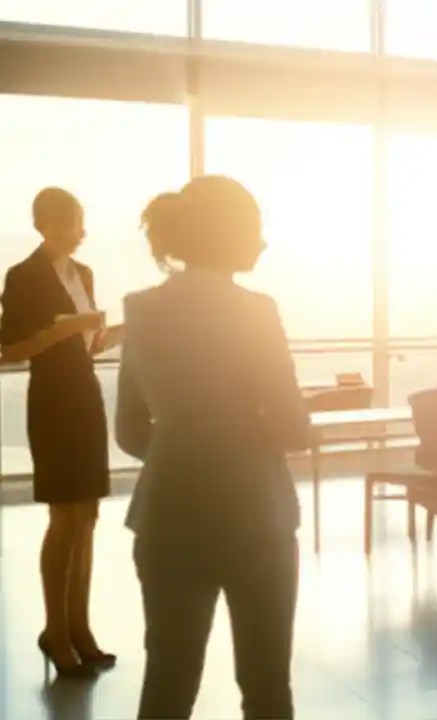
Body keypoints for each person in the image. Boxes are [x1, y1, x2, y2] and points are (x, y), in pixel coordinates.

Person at [119, 177, 308, 718]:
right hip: (258, 518)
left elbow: (130, 430)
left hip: (167, 517)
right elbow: (293, 428)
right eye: (254, 228)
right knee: (267, 687)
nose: (263, 241)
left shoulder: (141, 310)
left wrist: (183, 445)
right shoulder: (256, 310)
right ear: (226, 233)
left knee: (168, 686)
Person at [0, 188, 121, 678]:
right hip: (51, 403)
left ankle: (79, 628)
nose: (81, 228)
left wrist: (121, 330)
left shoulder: (83, 273)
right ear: (47, 224)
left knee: (88, 515)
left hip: (84, 396)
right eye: (74, 220)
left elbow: (87, 346)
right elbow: (9, 349)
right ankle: (55, 629)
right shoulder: (23, 276)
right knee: (64, 518)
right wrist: (64, 330)